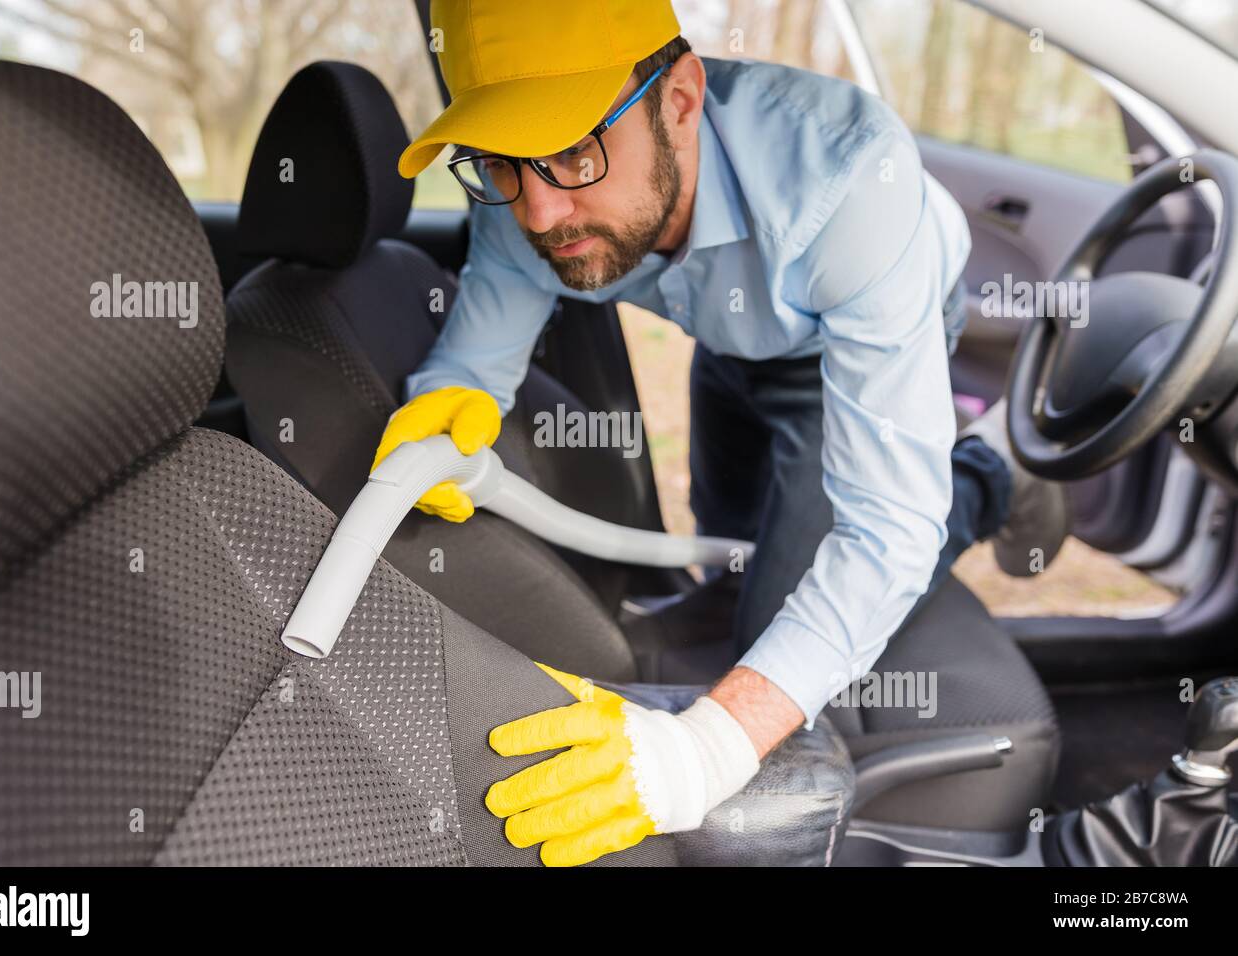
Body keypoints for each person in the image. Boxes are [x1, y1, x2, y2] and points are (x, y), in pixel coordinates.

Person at [375, 0, 1069, 866]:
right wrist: (449, 403)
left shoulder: (850, 181)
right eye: (502, 162)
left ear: (679, 100)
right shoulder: (522, 197)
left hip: (849, 335)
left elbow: (886, 531)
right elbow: (476, 363)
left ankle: (987, 481)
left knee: (778, 642)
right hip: (730, 331)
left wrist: (709, 745)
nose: (543, 214)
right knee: (733, 555)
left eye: (572, 150)